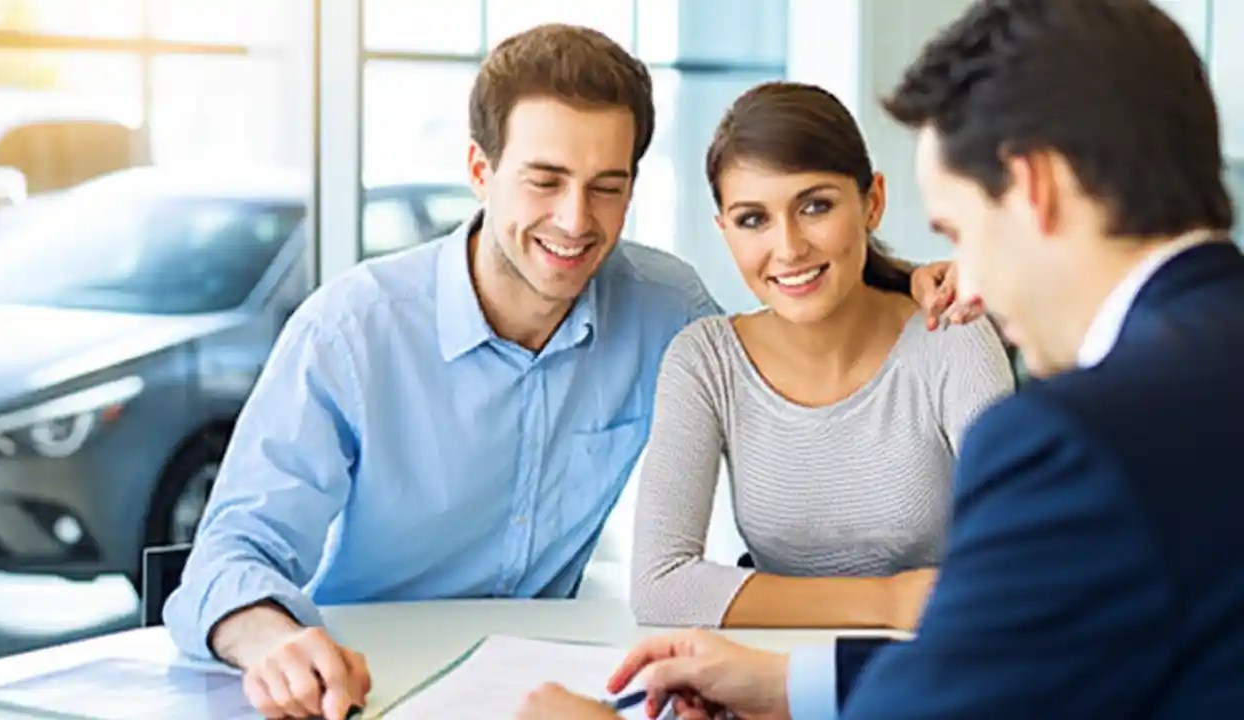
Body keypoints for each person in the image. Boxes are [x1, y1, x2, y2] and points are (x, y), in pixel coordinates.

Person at [161, 22, 954, 720]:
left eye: (606, 189)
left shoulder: (666, 306)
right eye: (544, 181)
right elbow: (228, 557)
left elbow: (789, 337)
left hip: (538, 685)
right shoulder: (352, 330)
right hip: (360, 689)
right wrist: (272, 642)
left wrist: (905, 284)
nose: (576, 222)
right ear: (480, 170)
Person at [517, 0, 1244, 717]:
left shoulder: (1076, 442)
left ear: (1033, 189)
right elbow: (1024, 646)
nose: (965, 281)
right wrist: (792, 682)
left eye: (959, 230)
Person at [629, 81, 1013, 632]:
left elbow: (1020, 549)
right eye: (752, 219)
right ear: (725, 231)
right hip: (767, 677)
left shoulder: (950, 335)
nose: (788, 248)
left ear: (872, 202)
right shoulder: (704, 360)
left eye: (815, 206)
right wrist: (890, 601)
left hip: (937, 655)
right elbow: (660, 587)